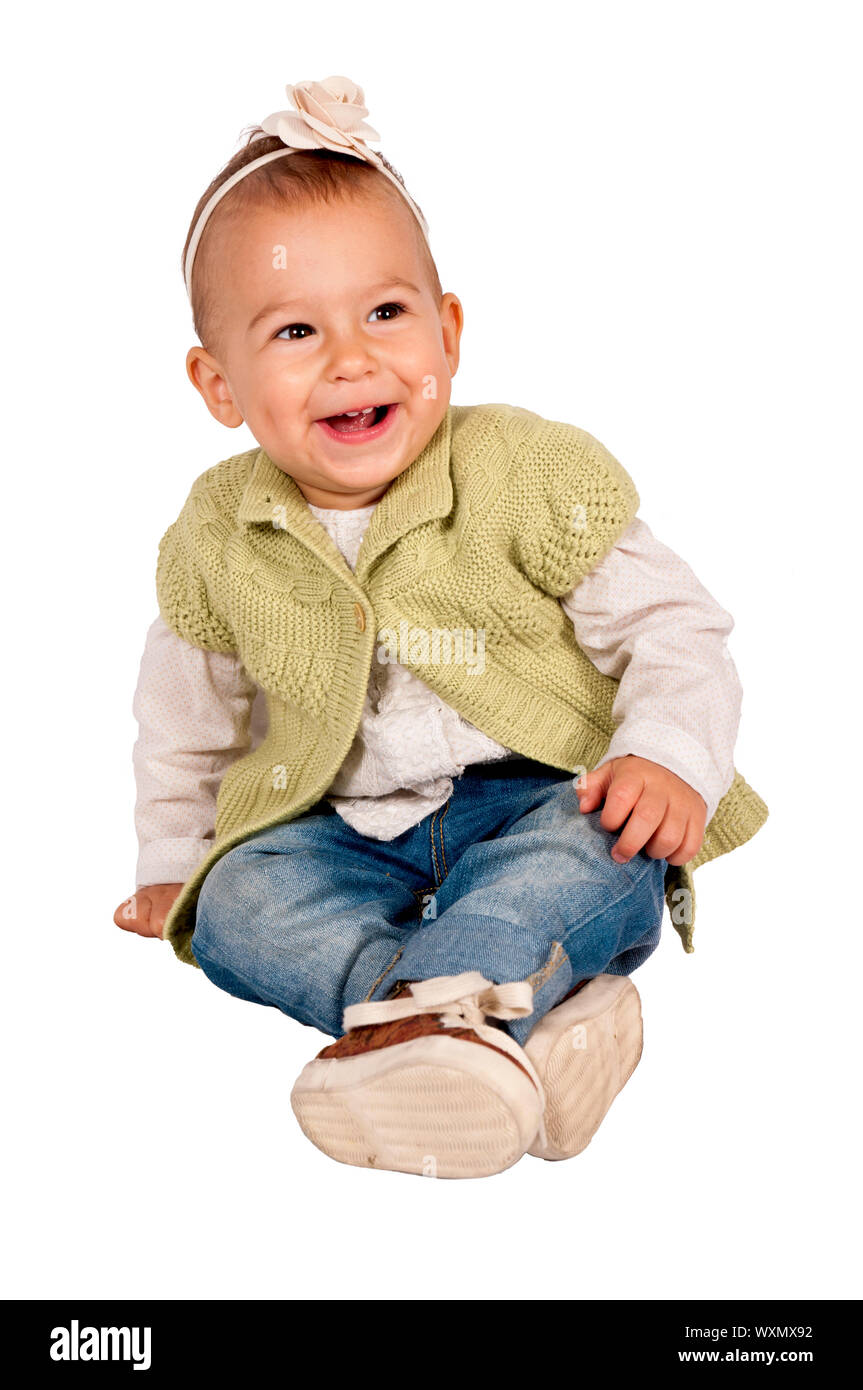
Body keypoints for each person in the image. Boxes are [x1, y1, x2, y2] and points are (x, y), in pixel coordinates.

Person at [113, 75, 768, 1179]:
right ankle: (505, 1034)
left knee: (591, 851)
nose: (351, 357)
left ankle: (415, 1026)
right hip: (335, 832)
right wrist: (178, 858)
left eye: (385, 312)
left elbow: (671, 625)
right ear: (217, 384)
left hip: (535, 798)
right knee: (235, 909)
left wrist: (663, 754)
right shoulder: (218, 532)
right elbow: (185, 719)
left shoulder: (523, 470)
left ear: (447, 329)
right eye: (292, 330)